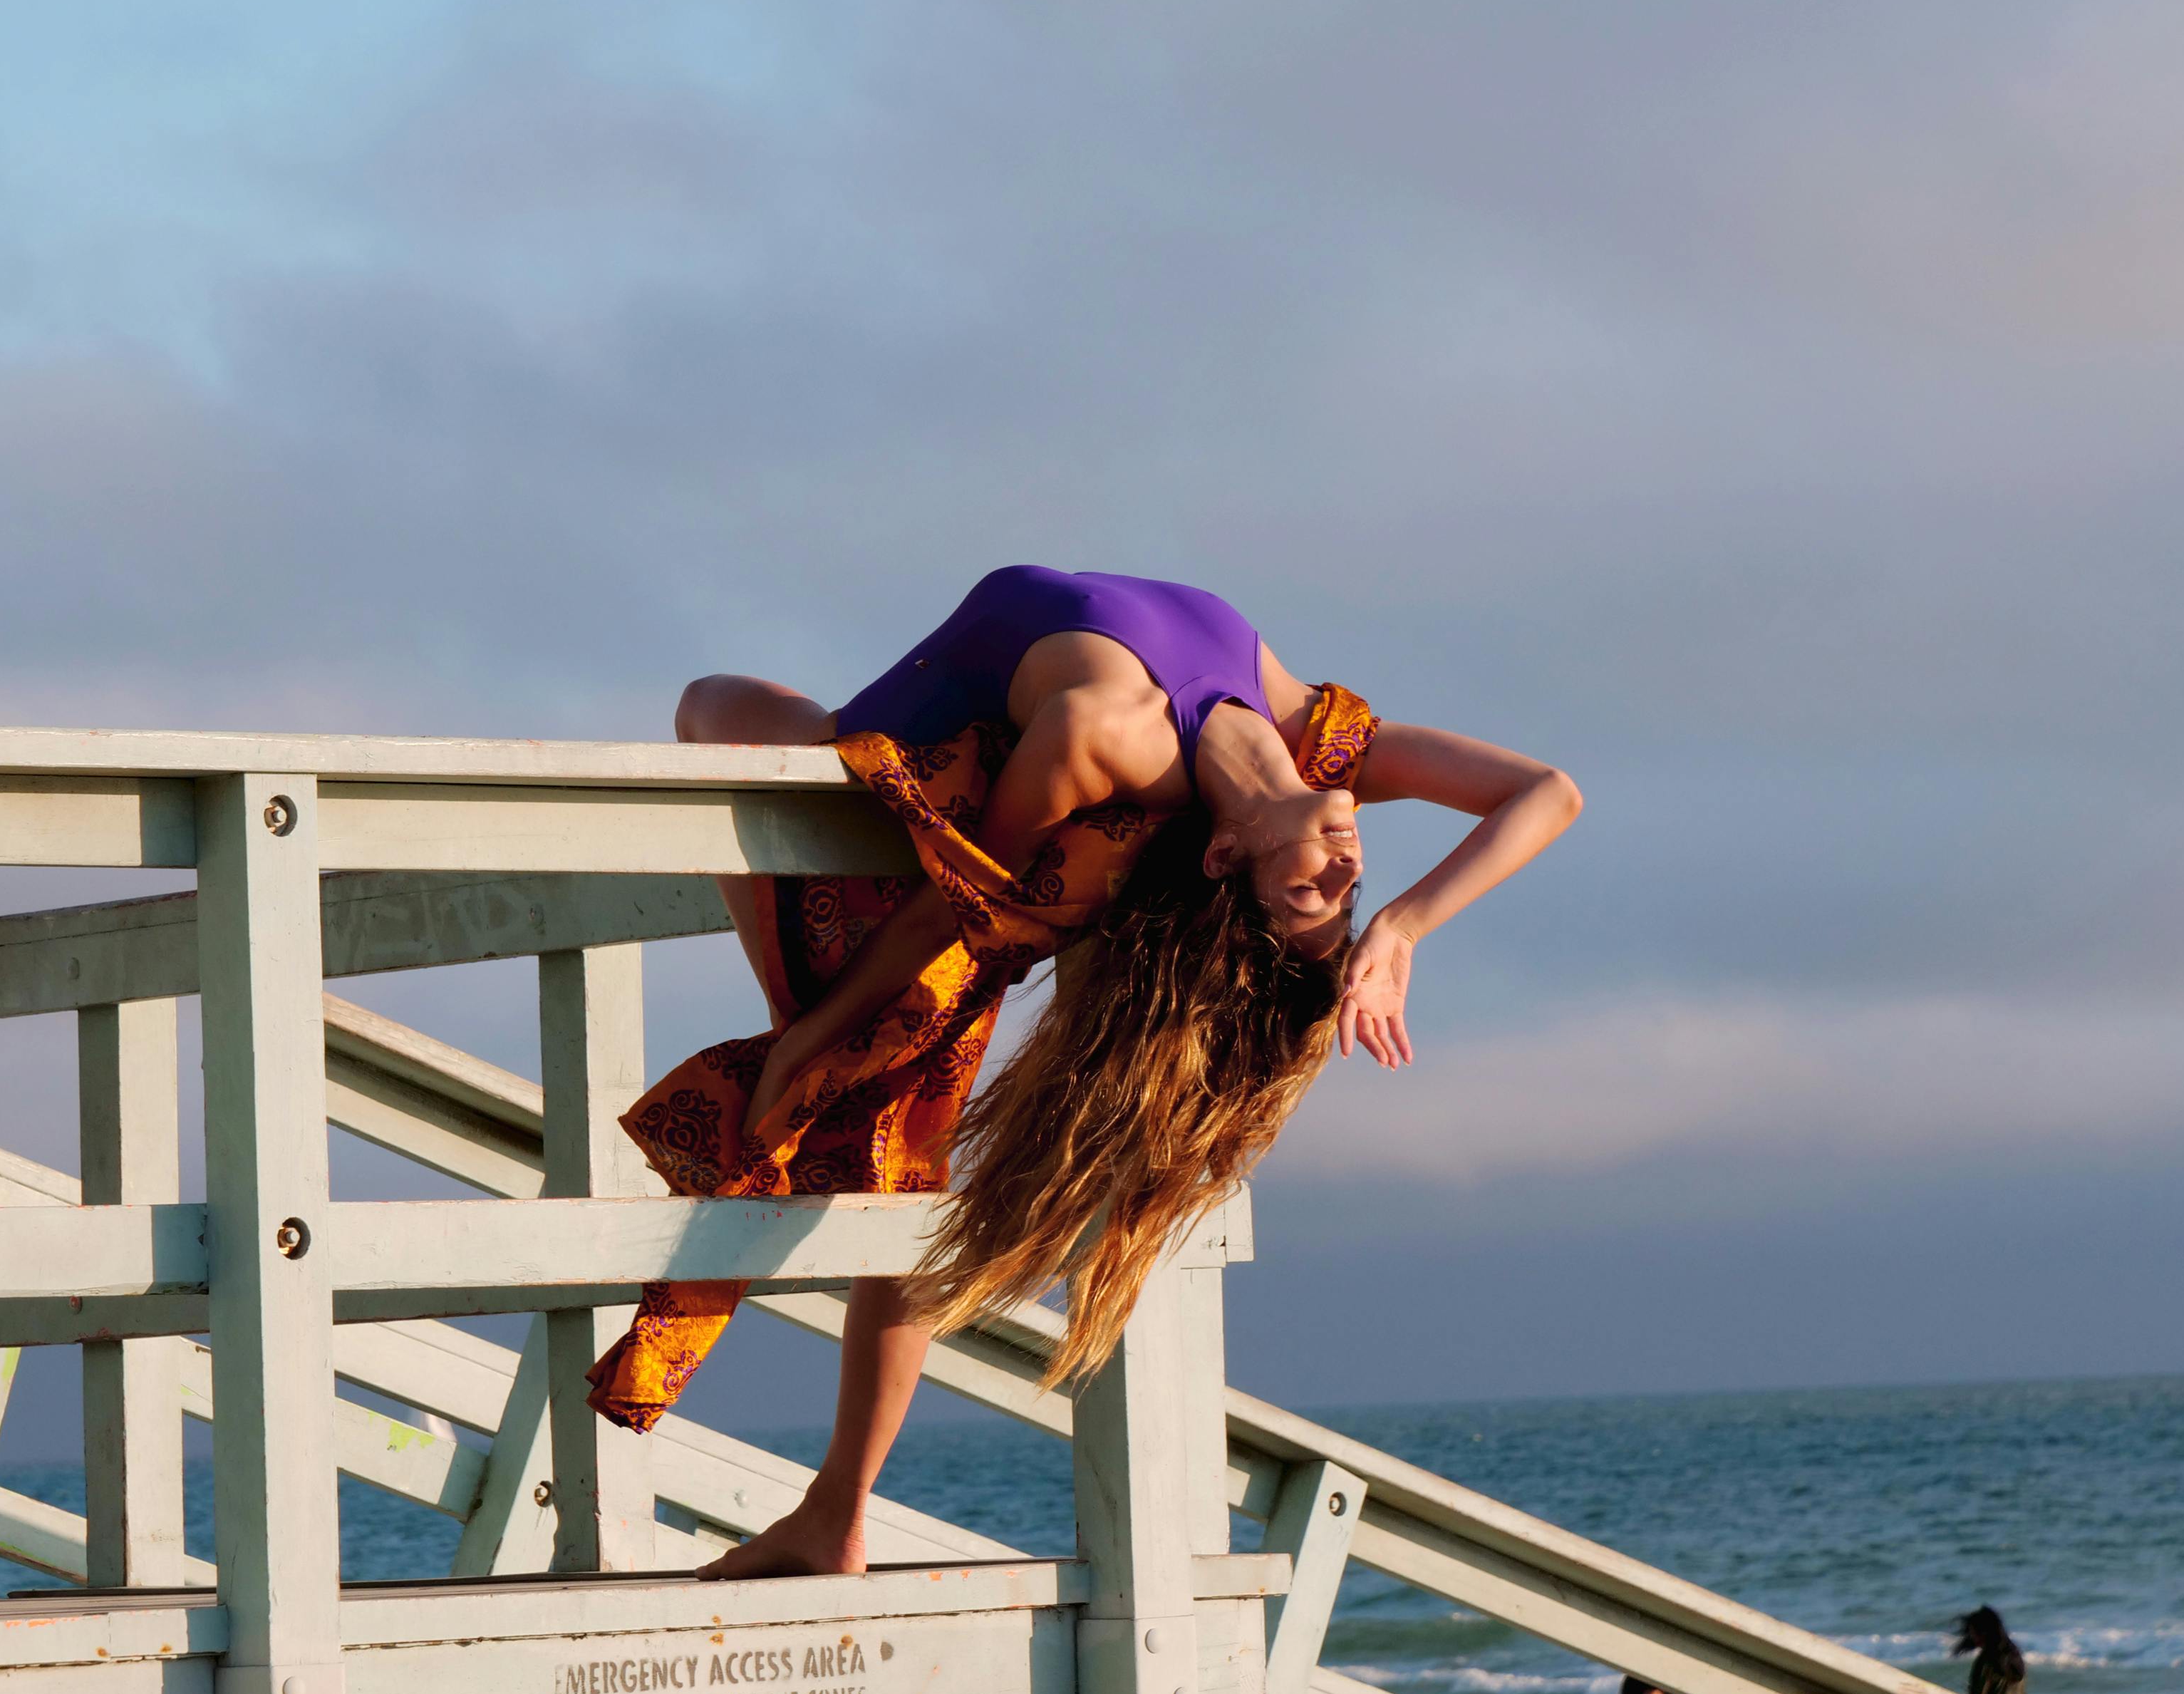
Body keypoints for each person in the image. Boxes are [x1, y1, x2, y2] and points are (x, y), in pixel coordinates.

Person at [602, 564, 1582, 1578]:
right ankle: (835, 1518)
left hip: (927, 792)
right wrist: (1400, 926)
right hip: (1022, 741)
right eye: (1353, 885)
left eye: (1304, 899)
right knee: (891, 1150)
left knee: (706, 706)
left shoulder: (1107, 736)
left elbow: (960, 901)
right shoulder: (1309, 735)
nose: (1340, 875)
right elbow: (1548, 792)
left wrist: (814, 1037)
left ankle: (835, 1515)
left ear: (1227, 854)